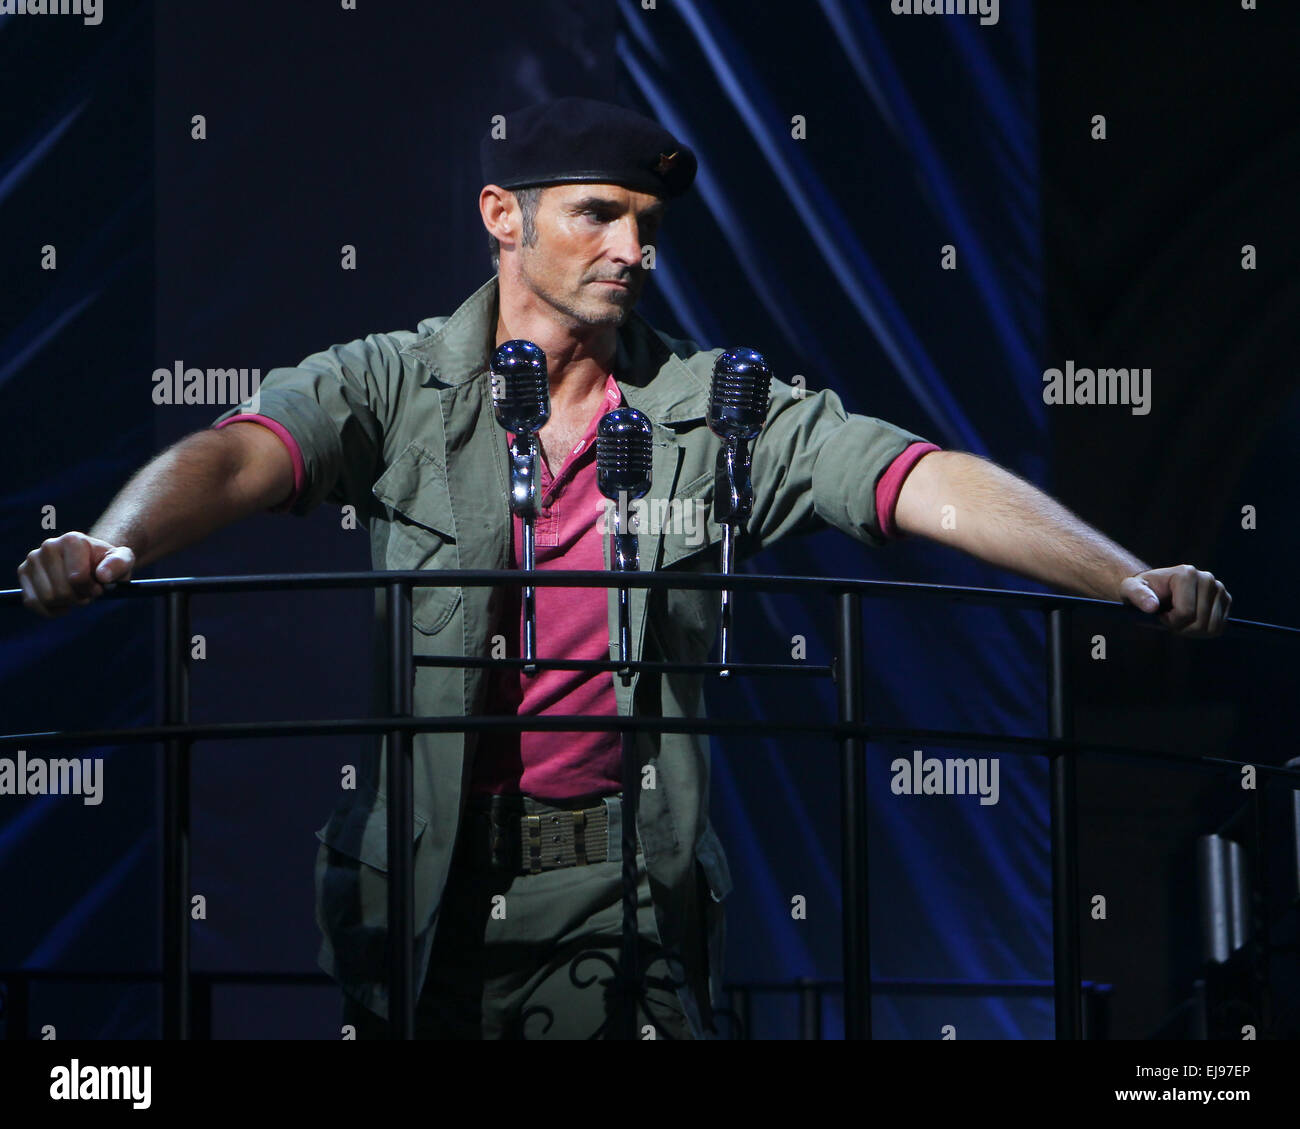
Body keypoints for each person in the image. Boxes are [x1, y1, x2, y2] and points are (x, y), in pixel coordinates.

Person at [16, 96, 1232, 1040]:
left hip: (623, 887)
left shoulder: (714, 408)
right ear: (503, 216)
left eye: (647, 225)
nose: (631, 248)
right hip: (420, 886)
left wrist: (1121, 575)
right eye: (597, 213)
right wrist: (116, 541)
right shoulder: (393, 382)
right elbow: (240, 454)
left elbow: (917, 477)